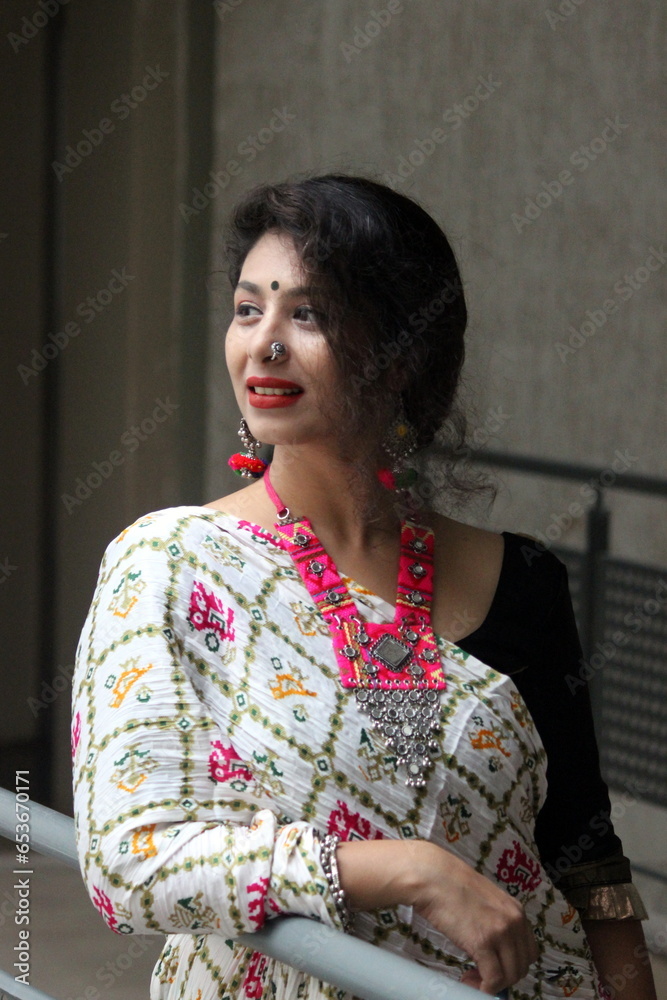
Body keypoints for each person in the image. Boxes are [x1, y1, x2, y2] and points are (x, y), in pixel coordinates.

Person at [71, 173, 656, 999]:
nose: (263, 343)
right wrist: (408, 870)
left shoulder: (522, 581)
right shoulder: (171, 564)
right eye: (248, 309)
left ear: (402, 350)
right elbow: (130, 865)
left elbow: (585, 858)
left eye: (305, 314)